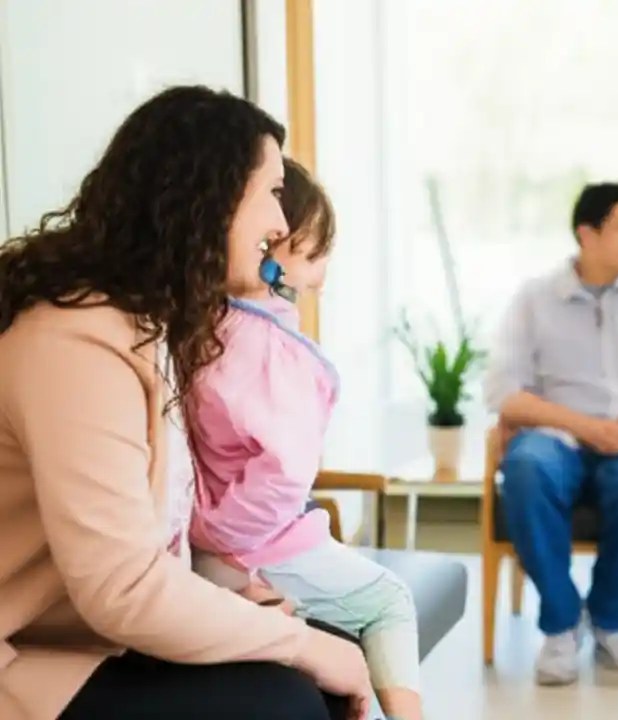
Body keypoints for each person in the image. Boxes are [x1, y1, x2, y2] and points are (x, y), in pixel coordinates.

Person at [0, 86, 372, 720]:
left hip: (91, 633)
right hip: (29, 655)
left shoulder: (155, 324)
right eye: (273, 193)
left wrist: (237, 602)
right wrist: (295, 645)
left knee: (326, 662)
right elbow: (122, 586)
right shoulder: (74, 340)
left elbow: (157, 537)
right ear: (212, 197)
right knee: (285, 699)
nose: (281, 225)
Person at [185, 158, 423, 720]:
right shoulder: (267, 347)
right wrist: (223, 545)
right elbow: (284, 474)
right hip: (260, 543)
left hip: (224, 539)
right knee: (391, 601)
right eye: (313, 255)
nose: (321, 275)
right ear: (267, 248)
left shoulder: (200, 324)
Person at [483, 182, 618, 685]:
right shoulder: (535, 298)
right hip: (557, 436)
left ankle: (607, 613)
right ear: (587, 234)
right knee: (526, 468)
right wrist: (584, 426)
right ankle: (560, 622)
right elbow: (502, 391)